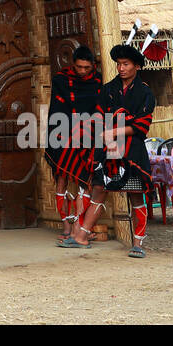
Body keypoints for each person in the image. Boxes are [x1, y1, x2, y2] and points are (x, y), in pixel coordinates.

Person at [70, 44, 156, 257]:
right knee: (99, 190)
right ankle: (81, 236)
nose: (121, 68)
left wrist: (114, 130)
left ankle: (138, 244)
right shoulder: (108, 89)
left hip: (132, 150)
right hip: (109, 149)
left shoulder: (145, 92)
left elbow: (141, 125)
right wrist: (98, 124)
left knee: (136, 195)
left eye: (125, 64)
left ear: (136, 66)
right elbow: (99, 112)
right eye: (118, 64)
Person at [49, 46, 104, 248]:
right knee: (61, 178)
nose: (82, 71)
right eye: (79, 67)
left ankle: (79, 227)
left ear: (93, 66)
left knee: (84, 181)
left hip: (90, 135)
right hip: (64, 133)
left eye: (86, 67)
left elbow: (100, 109)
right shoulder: (61, 80)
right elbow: (57, 109)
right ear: (73, 65)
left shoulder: (99, 82)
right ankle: (65, 226)